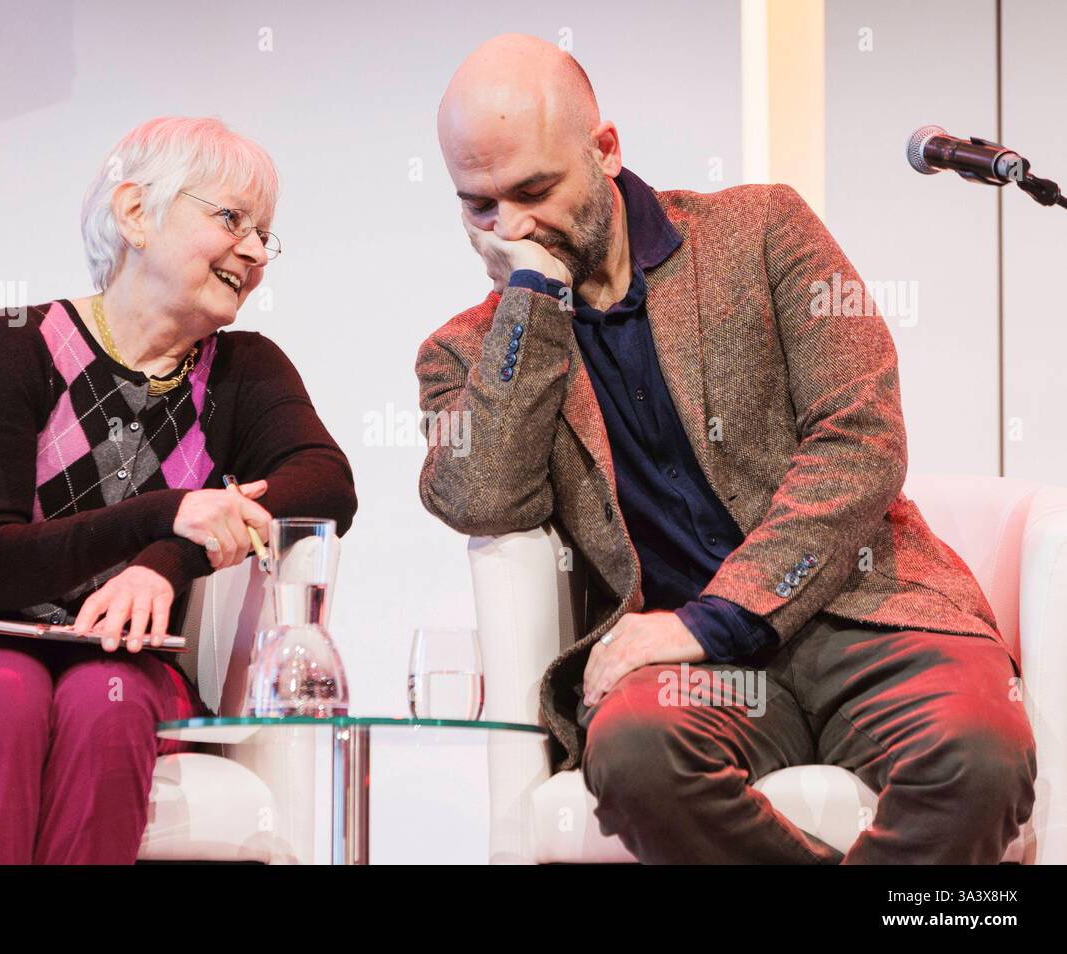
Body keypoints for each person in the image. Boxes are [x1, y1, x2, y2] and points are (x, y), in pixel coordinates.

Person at [416, 34, 1035, 863]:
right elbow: (480, 498)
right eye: (479, 206)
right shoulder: (468, 351)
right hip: (684, 670)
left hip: (862, 613)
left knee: (980, 752)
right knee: (635, 755)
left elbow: (861, 436)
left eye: (534, 190)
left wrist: (718, 616)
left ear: (605, 150)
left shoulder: (763, 230)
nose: (512, 227)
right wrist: (532, 300)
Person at [0, 116, 357, 864]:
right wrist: (170, 515)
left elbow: (325, 485)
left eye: (264, 234)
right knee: (7, 693)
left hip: (119, 662)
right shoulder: (18, 341)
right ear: (135, 214)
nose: (253, 252)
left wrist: (166, 561)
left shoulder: (244, 371)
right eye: (229, 219)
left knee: (102, 701)